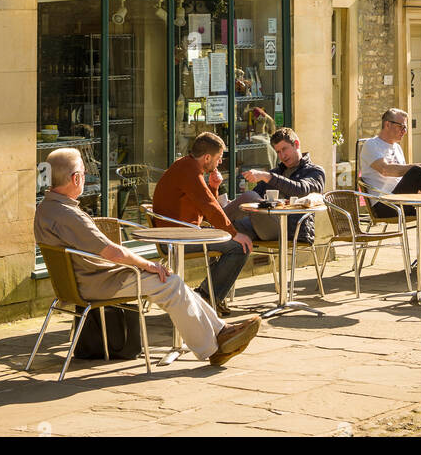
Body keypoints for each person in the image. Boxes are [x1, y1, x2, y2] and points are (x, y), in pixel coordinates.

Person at [34, 148, 261, 367]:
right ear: (75, 178)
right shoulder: (70, 215)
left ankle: (221, 331)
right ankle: (213, 349)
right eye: (83, 173)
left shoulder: (45, 209)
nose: (85, 178)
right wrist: (148, 264)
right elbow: (114, 252)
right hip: (97, 282)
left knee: (170, 280)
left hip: (82, 281)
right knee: (169, 282)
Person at [152, 132, 254, 314]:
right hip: (177, 240)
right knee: (239, 247)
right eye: (219, 158)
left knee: (229, 242)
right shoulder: (190, 172)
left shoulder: (187, 166)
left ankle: (210, 296)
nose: (220, 162)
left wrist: (213, 187)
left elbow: (206, 208)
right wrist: (234, 234)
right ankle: (207, 296)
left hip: (182, 233)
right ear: (207, 157)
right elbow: (209, 207)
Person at [358, 108, 421, 274]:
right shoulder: (371, 145)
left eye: (405, 128)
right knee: (416, 171)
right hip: (384, 204)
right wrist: (419, 167)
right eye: (402, 127)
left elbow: (402, 179)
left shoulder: (397, 148)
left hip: (403, 200)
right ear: (387, 124)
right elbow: (385, 170)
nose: (405, 132)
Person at [230, 126, 326, 248]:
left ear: (296, 144)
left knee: (249, 196)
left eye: (284, 149)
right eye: (278, 152)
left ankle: (212, 221)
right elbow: (254, 198)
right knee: (228, 228)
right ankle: (212, 226)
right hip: (265, 225)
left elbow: (301, 190)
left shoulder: (315, 172)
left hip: (292, 231)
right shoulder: (276, 172)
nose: (282, 156)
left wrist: (267, 176)